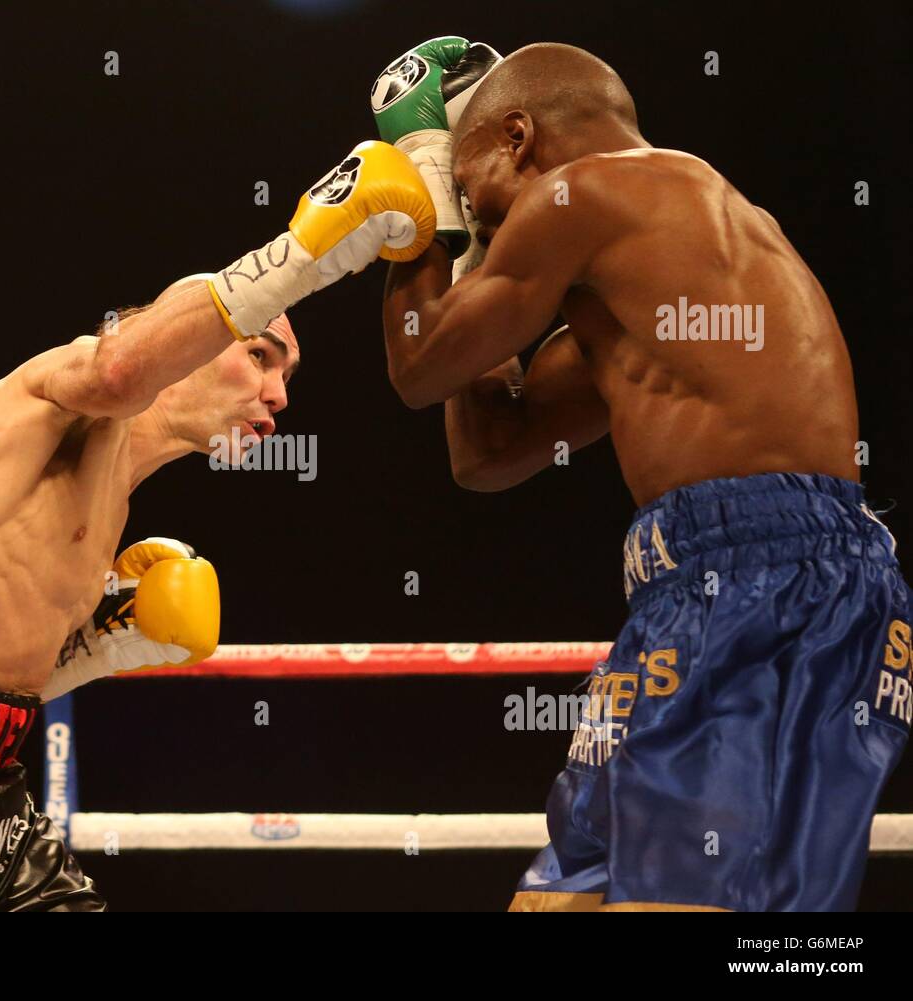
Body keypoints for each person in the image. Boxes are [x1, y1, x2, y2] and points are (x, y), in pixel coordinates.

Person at [0, 139, 436, 911]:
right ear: (183, 339)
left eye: (286, 375)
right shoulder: (61, 386)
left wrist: (105, 648)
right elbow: (119, 370)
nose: (278, 394)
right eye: (262, 355)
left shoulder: (115, 507)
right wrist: (308, 253)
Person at [373, 38, 910, 911]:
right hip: (697, 593)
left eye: (475, 197)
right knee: (559, 899)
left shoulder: (584, 190)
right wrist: (456, 241)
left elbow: (420, 362)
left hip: (770, 592)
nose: (481, 228)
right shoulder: (656, 283)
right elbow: (490, 450)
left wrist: (420, 214)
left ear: (520, 137)